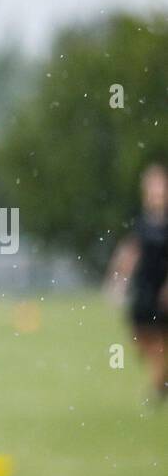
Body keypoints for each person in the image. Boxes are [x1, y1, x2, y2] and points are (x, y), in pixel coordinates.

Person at [105, 163, 168, 402]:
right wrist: (118, 281)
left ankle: (159, 387)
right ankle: (161, 377)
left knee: (160, 339)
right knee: (140, 337)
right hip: (145, 287)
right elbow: (131, 251)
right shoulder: (142, 219)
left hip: (162, 288)